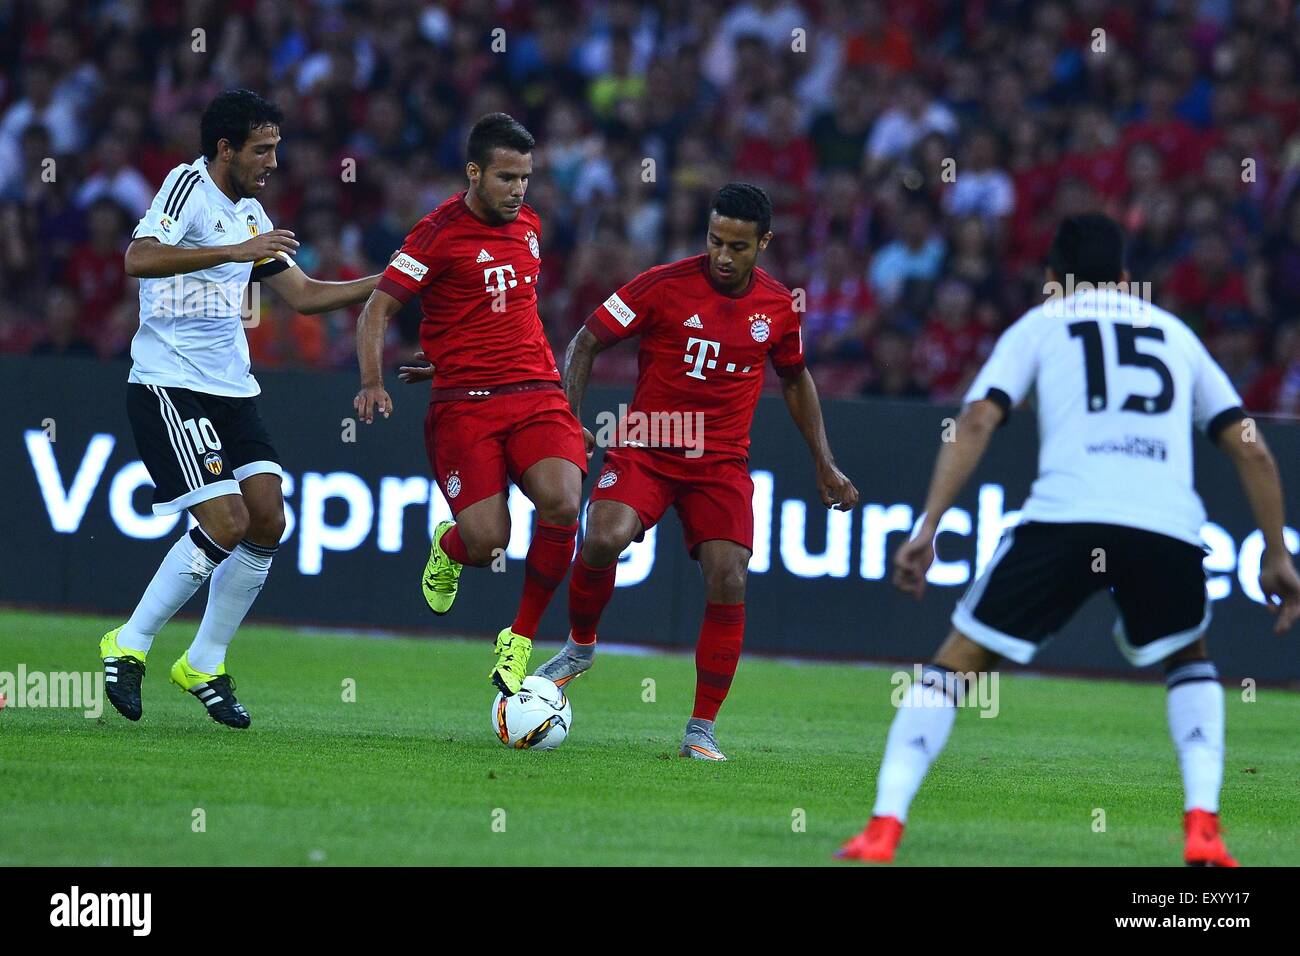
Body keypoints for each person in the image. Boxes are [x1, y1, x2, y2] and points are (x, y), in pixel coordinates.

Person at [837, 214, 1300, 864]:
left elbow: (977, 419)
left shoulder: (1040, 324)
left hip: (1066, 517)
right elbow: (1250, 447)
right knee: (1188, 658)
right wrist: (1276, 553)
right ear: (1125, 277)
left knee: (959, 661)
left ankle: (884, 827)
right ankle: (1203, 827)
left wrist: (929, 525)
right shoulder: (1176, 335)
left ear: (1053, 277)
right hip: (1164, 526)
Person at [533, 183, 859, 760]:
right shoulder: (661, 285)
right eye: (715, 241)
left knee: (729, 576)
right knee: (603, 536)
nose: (723, 256)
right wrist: (570, 422)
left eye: (738, 246)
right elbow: (584, 342)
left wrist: (824, 461)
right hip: (648, 443)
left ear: (764, 243)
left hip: (721, 461)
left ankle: (701, 729)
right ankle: (580, 647)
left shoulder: (779, 306)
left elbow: (794, 378)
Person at [100, 89, 383, 728]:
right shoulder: (187, 187)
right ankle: (129, 642)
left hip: (232, 390)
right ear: (225, 149)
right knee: (225, 522)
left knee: (267, 520)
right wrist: (232, 253)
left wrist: (391, 281)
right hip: (170, 385)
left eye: (276, 148)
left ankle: (204, 661)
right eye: (262, 149)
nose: (273, 161)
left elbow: (305, 295)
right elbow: (138, 257)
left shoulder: (252, 214)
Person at [356, 113, 587, 697]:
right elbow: (377, 308)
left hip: (536, 391)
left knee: (564, 503)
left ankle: (520, 638)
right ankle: (449, 545)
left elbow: (504, 312)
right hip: (466, 404)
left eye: (526, 178)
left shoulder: (530, 224)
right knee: (488, 543)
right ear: (474, 172)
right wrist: (373, 381)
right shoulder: (435, 234)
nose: (518, 190)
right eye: (507, 177)